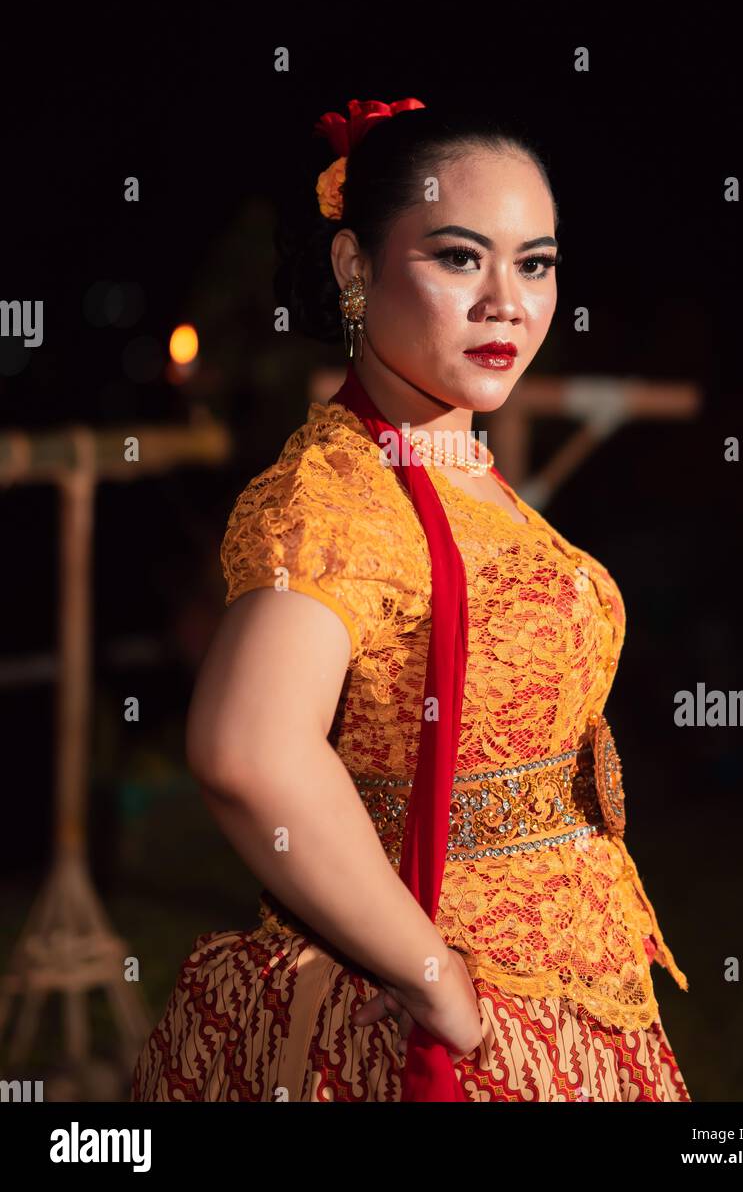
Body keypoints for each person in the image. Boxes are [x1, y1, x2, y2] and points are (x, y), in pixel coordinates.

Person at [130, 97, 691, 1102]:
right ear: (355, 268)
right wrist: (429, 973)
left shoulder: (456, 464)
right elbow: (247, 748)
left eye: (534, 263)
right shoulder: (337, 495)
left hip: (572, 1000)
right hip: (433, 1023)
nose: (505, 302)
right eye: (457, 257)